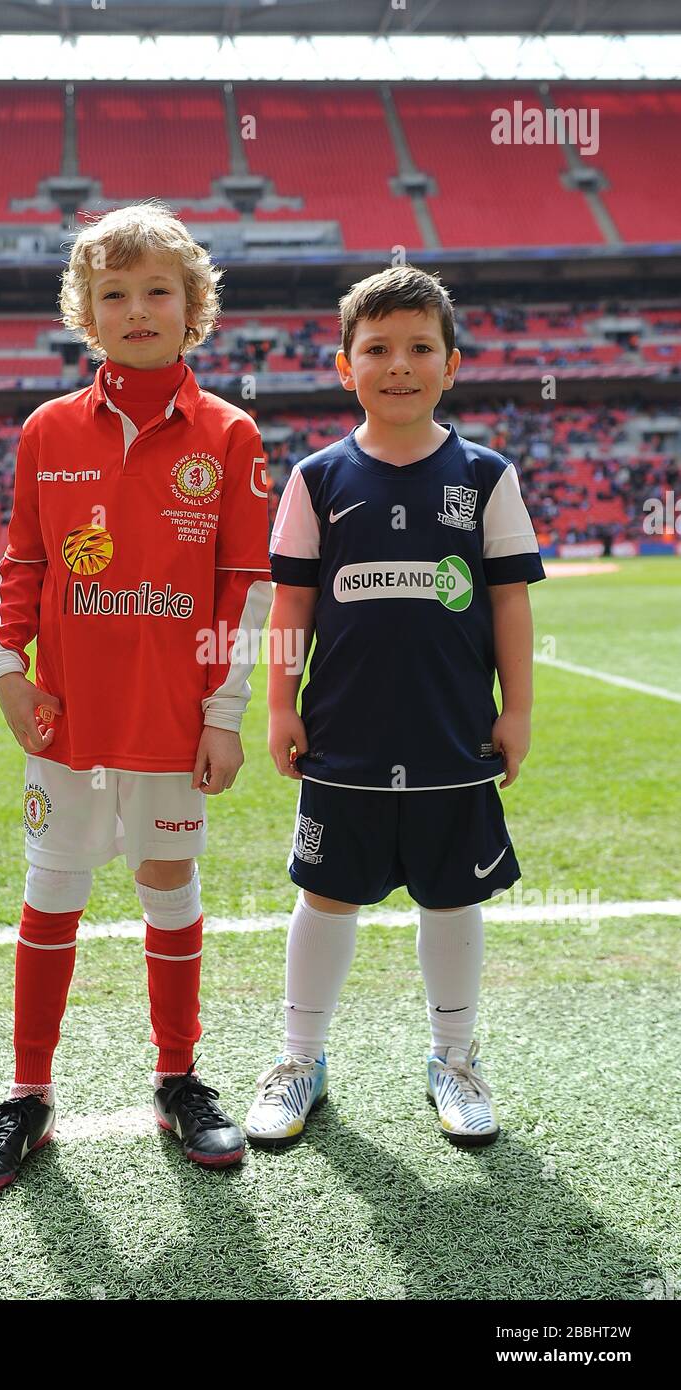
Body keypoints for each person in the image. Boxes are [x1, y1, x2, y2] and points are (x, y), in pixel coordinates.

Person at [0, 201, 272, 1193]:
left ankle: (178, 1078)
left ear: (194, 307)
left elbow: (245, 585)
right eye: (114, 294)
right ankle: (28, 1095)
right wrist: (7, 671)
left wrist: (223, 716)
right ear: (87, 314)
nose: (137, 309)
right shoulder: (47, 430)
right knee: (52, 893)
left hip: (173, 724)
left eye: (157, 291)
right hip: (69, 719)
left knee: (169, 892)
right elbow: (24, 561)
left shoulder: (228, 434)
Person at [244, 264, 545, 1150]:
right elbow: (292, 604)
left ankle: (453, 1060)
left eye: (420, 348)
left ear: (451, 365)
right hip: (345, 736)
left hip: (453, 734)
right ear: (345, 367)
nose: (399, 365)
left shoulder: (486, 476)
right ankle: (302, 1060)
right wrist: (279, 705)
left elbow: (511, 604)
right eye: (377, 349)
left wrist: (516, 710)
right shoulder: (316, 477)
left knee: (452, 902)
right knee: (326, 898)